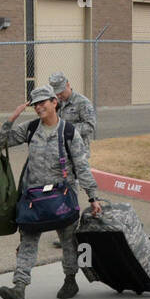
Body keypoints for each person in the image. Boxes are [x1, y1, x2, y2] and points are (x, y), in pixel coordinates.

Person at [0, 84, 102, 299]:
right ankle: (19, 286)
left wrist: (92, 196)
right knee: (28, 240)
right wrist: (12, 118)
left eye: (42, 102)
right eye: (35, 104)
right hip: (33, 199)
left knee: (68, 241)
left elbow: (82, 166)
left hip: (62, 197)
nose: (38, 107)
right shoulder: (31, 128)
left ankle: (70, 280)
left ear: (54, 102)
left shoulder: (69, 132)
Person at [48, 72, 96, 247]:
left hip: (77, 155)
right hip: (60, 155)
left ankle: (72, 235)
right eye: (57, 93)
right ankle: (65, 233)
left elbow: (90, 126)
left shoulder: (82, 102)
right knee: (60, 193)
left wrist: (67, 129)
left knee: (71, 194)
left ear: (68, 84)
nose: (60, 95)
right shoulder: (57, 103)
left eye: (62, 91)